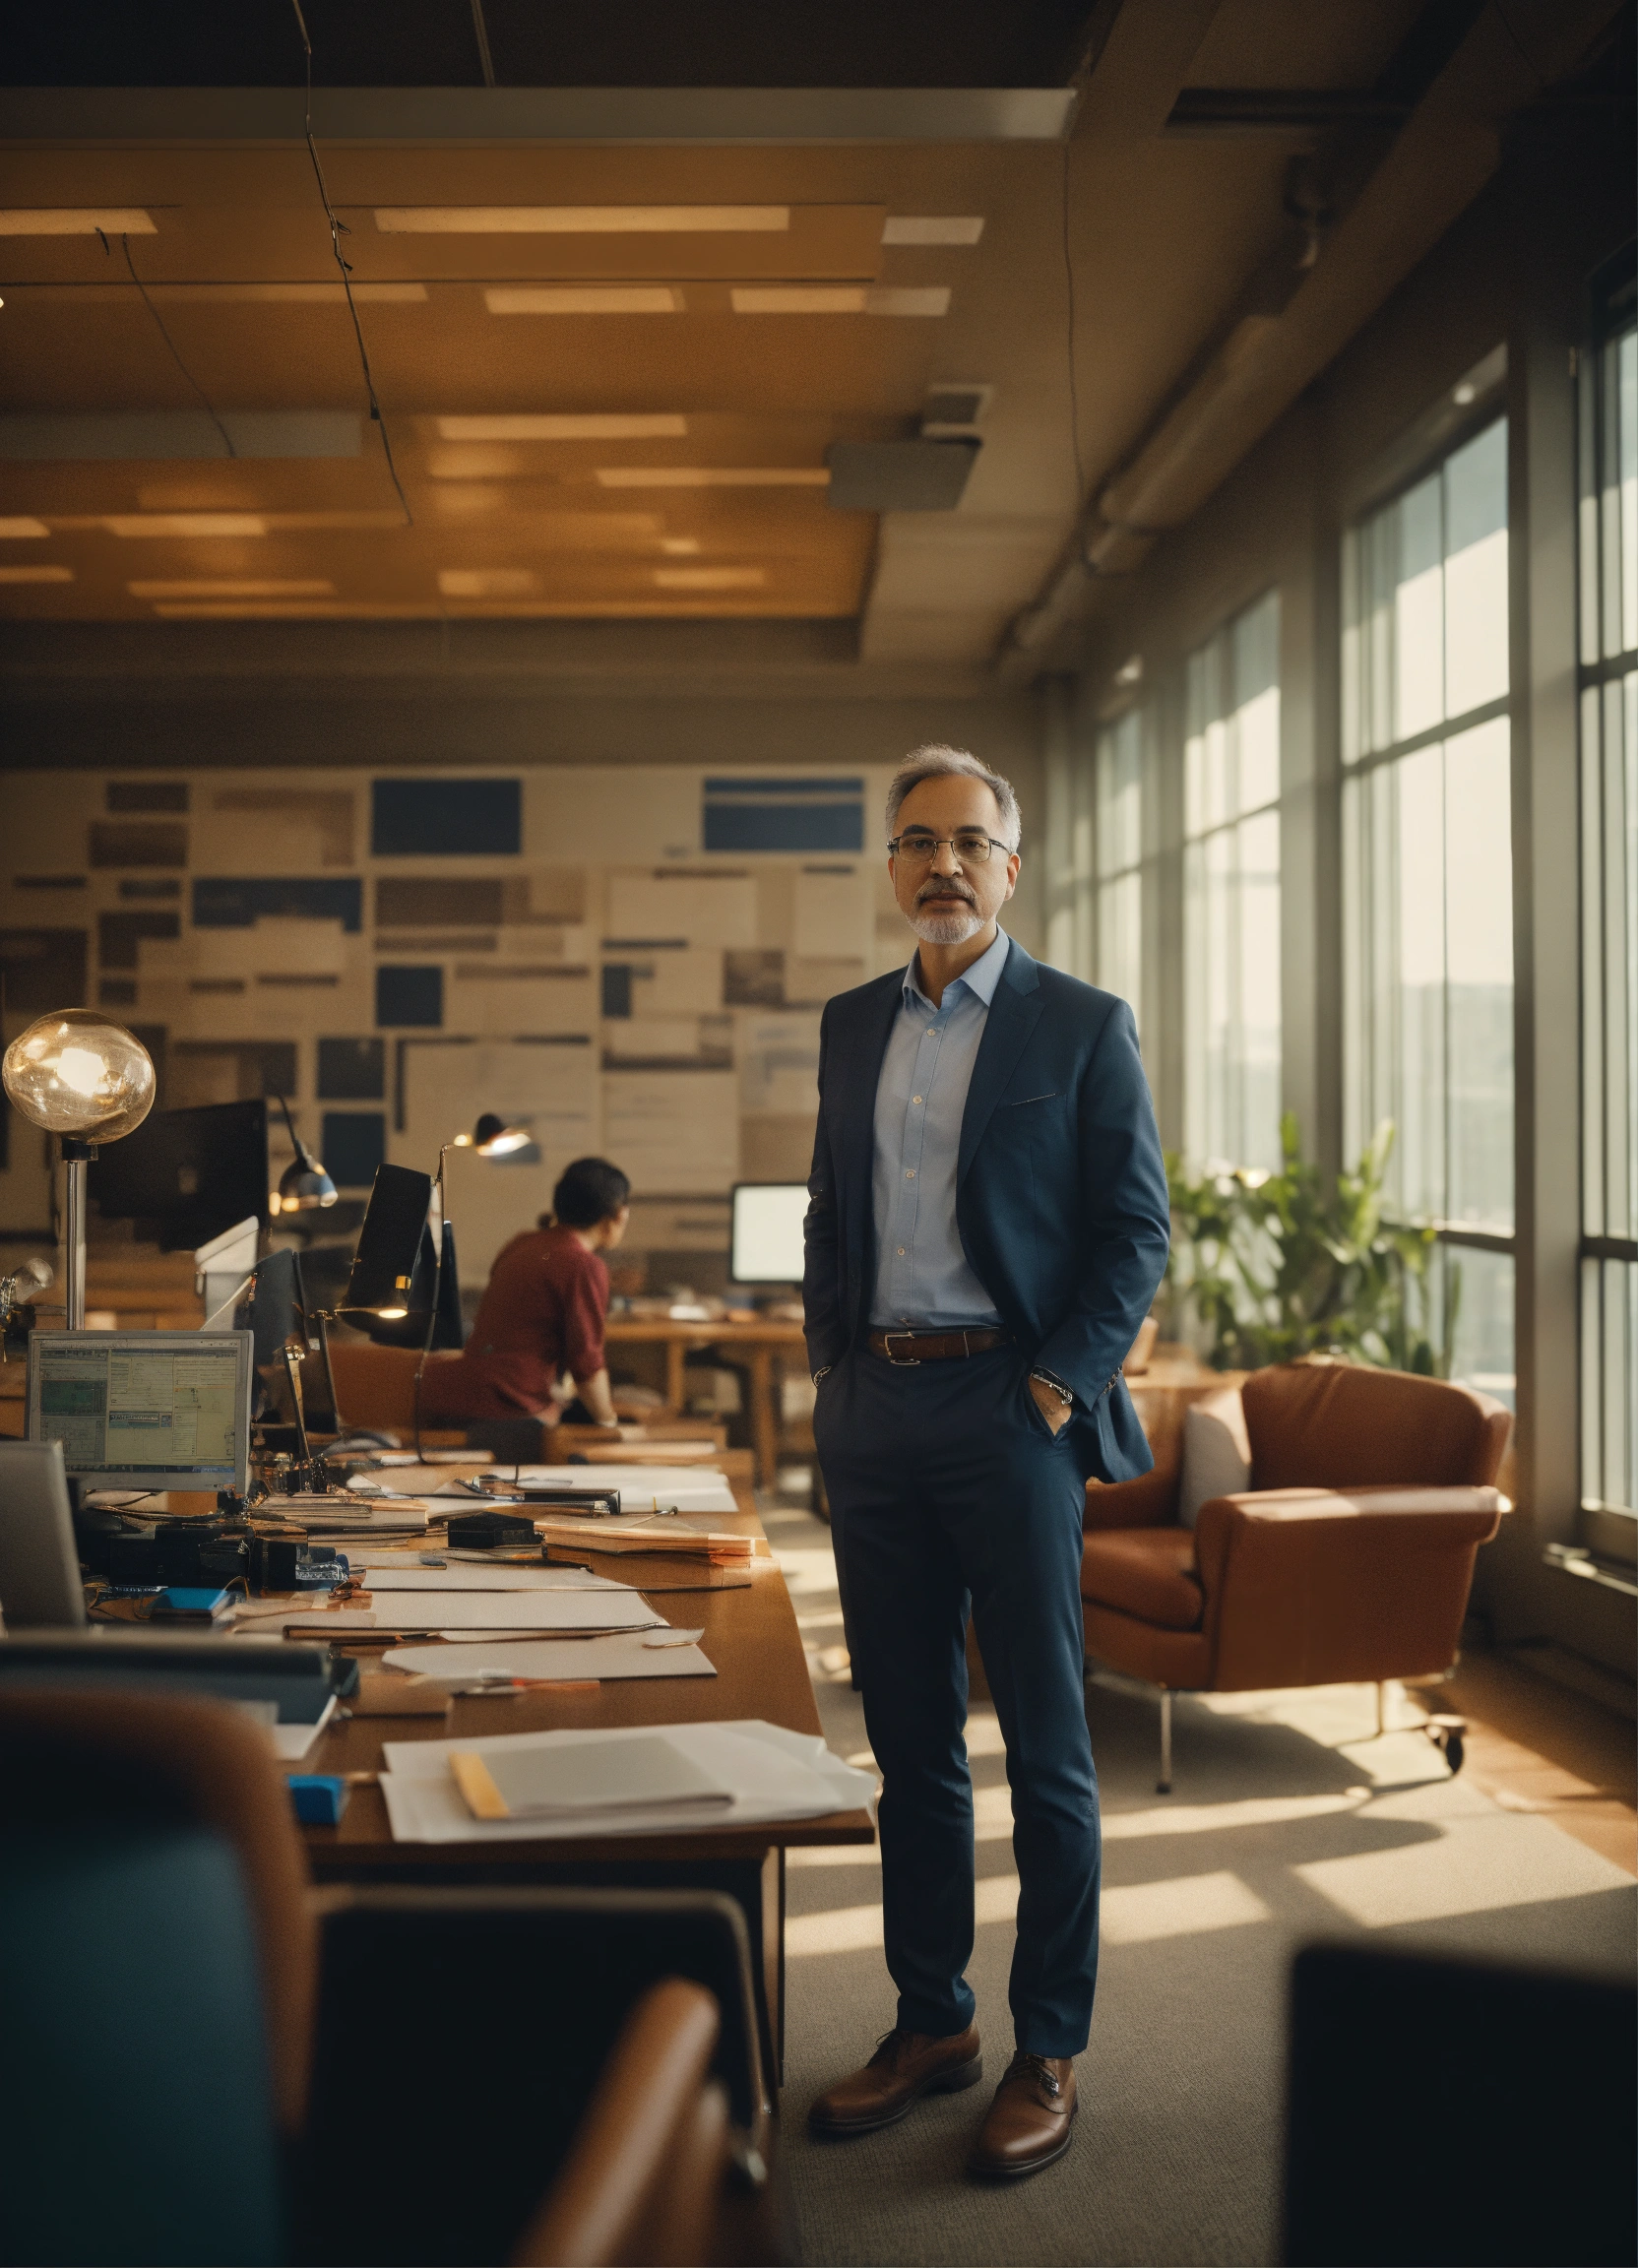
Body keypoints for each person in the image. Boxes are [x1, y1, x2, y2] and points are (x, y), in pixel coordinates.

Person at [803, 745, 1169, 2181]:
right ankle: (932, 2019)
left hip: (1012, 1419)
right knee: (910, 1750)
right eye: (916, 841)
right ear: (890, 870)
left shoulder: (1081, 1025)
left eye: (970, 841)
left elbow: (1134, 1230)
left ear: (1014, 869)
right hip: (876, 1416)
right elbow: (835, 1211)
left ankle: (1049, 2044)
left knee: (1047, 1757)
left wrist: (1055, 1389)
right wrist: (833, 1367)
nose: (942, 863)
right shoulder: (847, 1027)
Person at [418, 1156, 630, 1431]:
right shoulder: (584, 1265)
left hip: (457, 1398)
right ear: (618, 1213)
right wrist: (610, 1427)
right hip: (509, 1409)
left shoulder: (521, 1243)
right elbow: (586, 1364)